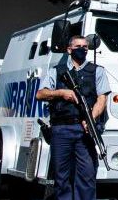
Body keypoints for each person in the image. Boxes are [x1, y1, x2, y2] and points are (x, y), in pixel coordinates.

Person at [35, 35, 110, 200]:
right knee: (62, 177)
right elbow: (40, 94)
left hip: (84, 130)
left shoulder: (97, 71)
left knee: (87, 175)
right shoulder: (57, 71)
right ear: (69, 50)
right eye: (78, 46)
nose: (82, 49)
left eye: (85, 47)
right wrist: (61, 93)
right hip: (61, 129)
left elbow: (102, 99)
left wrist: (91, 117)